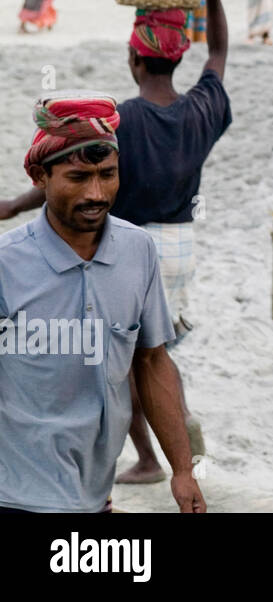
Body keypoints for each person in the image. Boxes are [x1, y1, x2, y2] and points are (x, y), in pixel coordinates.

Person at [0, 0, 231, 488]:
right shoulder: (202, 110)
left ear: (132, 59)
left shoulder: (123, 121)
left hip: (122, 247)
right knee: (154, 350)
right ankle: (177, 427)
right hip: (181, 245)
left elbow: (74, 176)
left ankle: (149, 455)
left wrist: (14, 206)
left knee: (121, 358)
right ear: (181, 56)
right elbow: (219, 55)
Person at [0, 94, 205, 512]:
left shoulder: (138, 251)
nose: (97, 192)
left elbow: (151, 361)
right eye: (78, 178)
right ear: (40, 177)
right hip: (16, 492)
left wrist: (182, 470)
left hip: (95, 491)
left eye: (107, 174)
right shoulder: (7, 263)